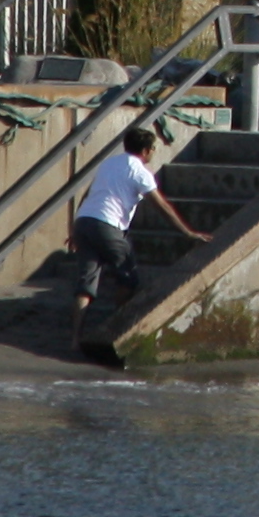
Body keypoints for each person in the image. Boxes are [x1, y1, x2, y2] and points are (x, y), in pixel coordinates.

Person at [67, 128, 203, 353]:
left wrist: (75, 230)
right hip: (108, 226)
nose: (153, 153)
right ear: (146, 150)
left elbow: (87, 196)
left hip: (84, 222)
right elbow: (162, 207)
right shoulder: (140, 172)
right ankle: (114, 330)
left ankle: (74, 340)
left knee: (85, 285)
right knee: (128, 277)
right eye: (153, 149)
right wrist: (187, 232)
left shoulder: (109, 164)